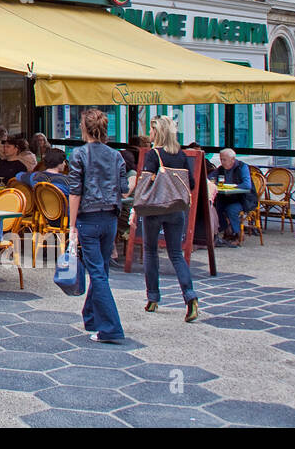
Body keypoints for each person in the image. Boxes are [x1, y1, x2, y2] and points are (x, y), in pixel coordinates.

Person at [67, 108, 130, 343]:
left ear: (84, 128)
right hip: (110, 217)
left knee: (97, 273)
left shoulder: (79, 154)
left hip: (88, 217)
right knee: (101, 270)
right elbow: (124, 189)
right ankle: (91, 316)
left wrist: (72, 225)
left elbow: (75, 192)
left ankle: (111, 327)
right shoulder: (116, 156)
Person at [134, 115, 199, 322]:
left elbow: (146, 183)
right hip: (176, 209)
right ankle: (190, 297)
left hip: (155, 209)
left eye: (152, 130)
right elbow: (192, 183)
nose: (149, 134)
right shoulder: (180, 155)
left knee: (151, 251)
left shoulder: (153, 155)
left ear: (158, 132)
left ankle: (153, 298)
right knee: (176, 255)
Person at [212, 148, 256, 246]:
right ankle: (226, 230)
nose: (222, 162)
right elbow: (210, 177)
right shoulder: (221, 169)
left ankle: (237, 235)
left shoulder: (242, 167)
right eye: (221, 159)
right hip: (226, 198)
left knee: (231, 209)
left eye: (224, 159)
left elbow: (247, 185)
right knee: (216, 208)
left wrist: (233, 187)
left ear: (232, 159)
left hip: (243, 199)